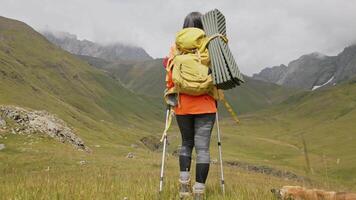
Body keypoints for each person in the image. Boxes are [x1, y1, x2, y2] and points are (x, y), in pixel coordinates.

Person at [163, 11, 217, 199]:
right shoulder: (211, 45)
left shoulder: (175, 47)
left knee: (186, 144)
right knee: (203, 149)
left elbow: (170, 75)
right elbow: (219, 74)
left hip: (183, 105)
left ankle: (184, 189)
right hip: (206, 105)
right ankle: (199, 192)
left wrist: (170, 91)